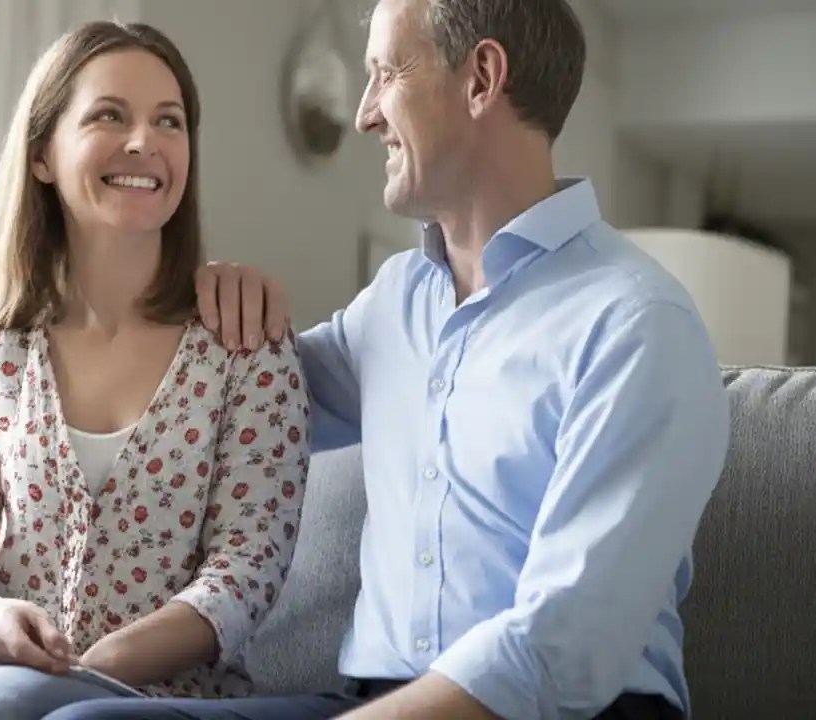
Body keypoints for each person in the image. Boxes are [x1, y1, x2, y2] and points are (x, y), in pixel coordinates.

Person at [49, 0, 729, 719]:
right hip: (366, 699)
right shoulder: (398, 301)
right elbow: (239, 403)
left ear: (482, 79)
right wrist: (204, 297)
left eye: (385, 74)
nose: (365, 115)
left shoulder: (636, 324)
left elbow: (565, 646)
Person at [0, 21, 310, 720]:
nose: (145, 141)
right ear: (43, 153)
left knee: (1, 702)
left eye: (169, 122)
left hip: (155, 693)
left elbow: (245, 573)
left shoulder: (245, 344)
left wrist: (91, 664)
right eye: (111, 115)